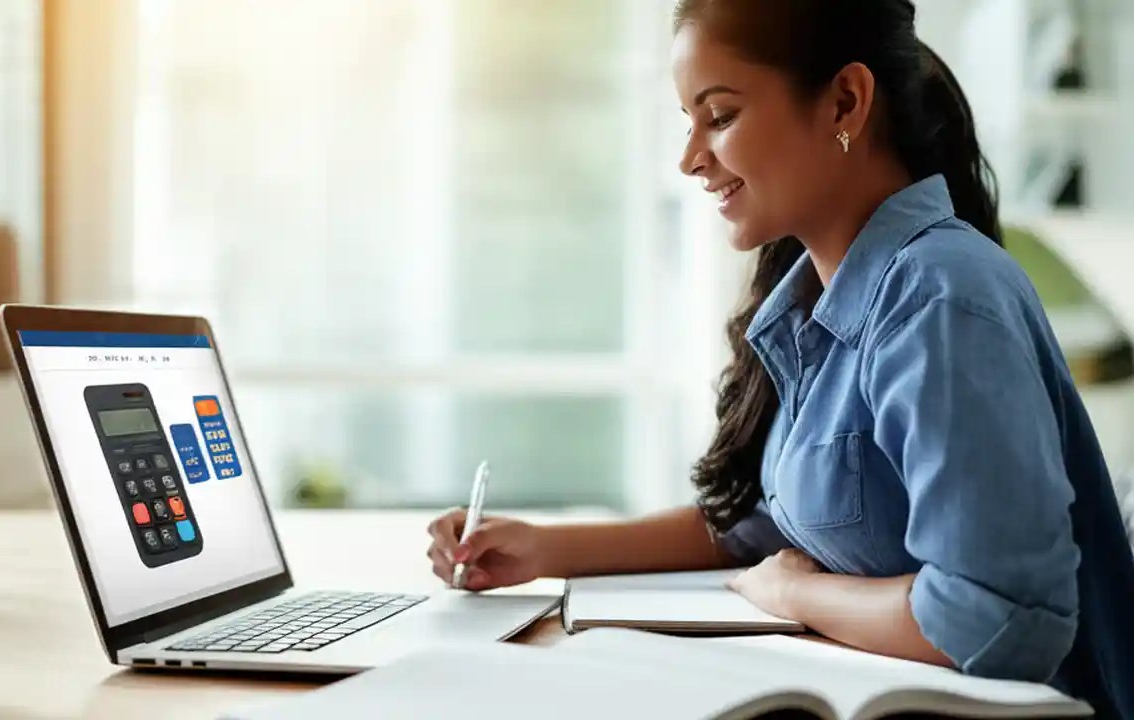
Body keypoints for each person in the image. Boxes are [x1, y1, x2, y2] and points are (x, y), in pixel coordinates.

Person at [425, 0, 1134, 715]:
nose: (691, 158)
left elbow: (996, 620)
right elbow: (770, 527)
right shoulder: (817, 308)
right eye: (688, 119)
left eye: (722, 116)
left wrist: (796, 591)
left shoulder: (939, 298)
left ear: (845, 103)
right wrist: (543, 551)